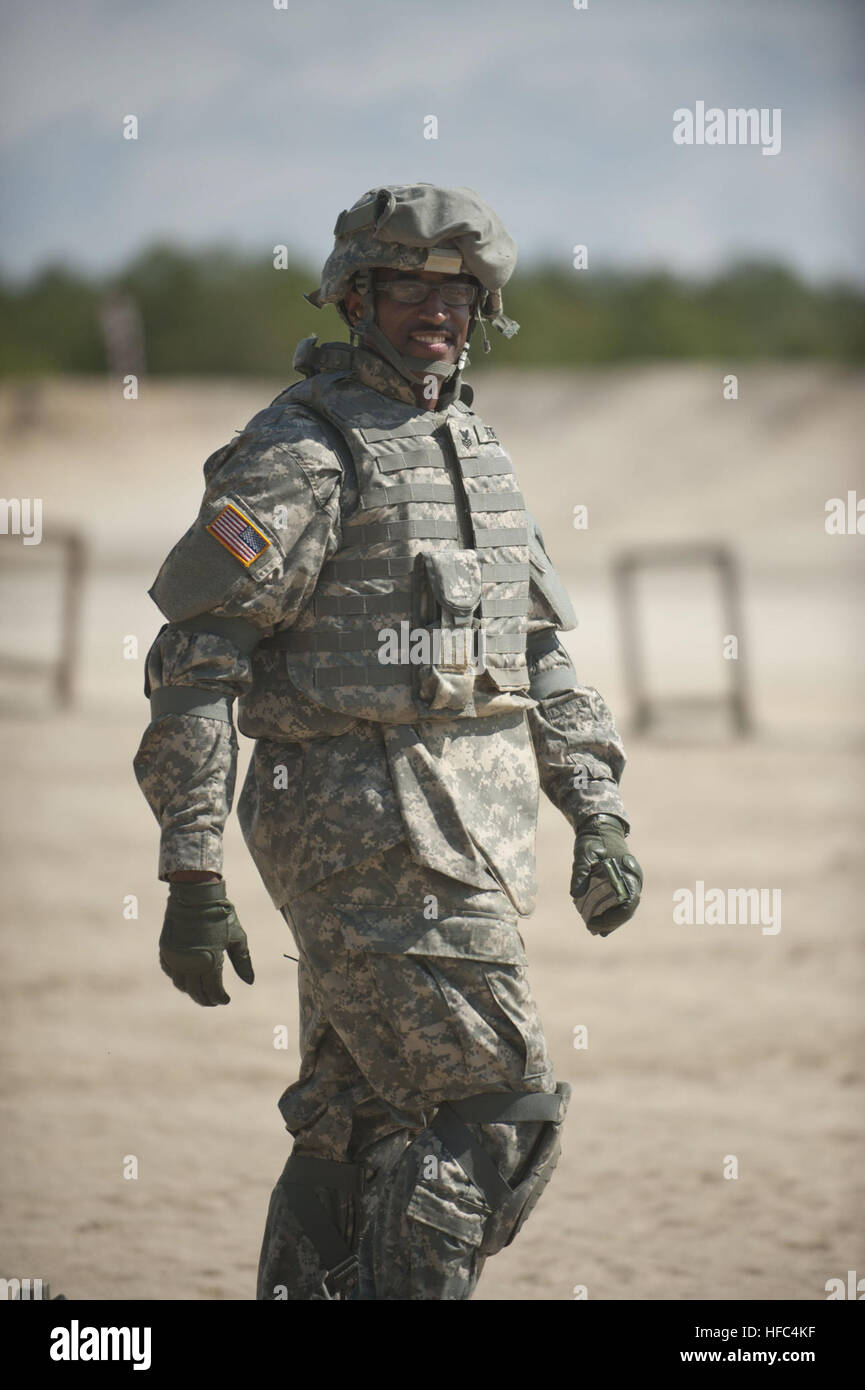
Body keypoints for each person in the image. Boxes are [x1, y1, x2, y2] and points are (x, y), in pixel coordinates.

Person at [133, 183, 643, 1301]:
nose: (436, 308)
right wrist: (190, 866)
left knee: (359, 1120)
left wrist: (593, 806)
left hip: (470, 837)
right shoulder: (304, 449)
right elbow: (195, 662)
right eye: (407, 284)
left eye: (458, 290)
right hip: (356, 835)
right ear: (354, 295)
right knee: (492, 1111)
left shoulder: (475, 450)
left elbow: (537, 653)